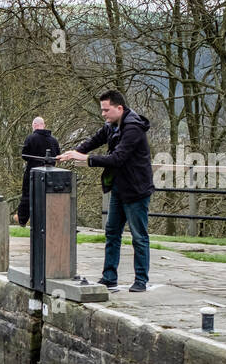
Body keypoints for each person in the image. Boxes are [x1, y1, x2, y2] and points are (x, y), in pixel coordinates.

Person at [57, 89, 154, 293]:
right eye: (102, 110)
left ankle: (141, 280)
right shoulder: (111, 125)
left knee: (139, 236)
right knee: (112, 232)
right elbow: (94, 141)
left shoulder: (133, 129)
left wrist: (88, 160)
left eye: (106, 110)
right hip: (119, 187)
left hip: (136, 190)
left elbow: (118, 158)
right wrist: (74, 153)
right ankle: (109, 277)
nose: (103, 114)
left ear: (119, 108)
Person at [18, 116, 61, 227]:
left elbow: (24, 155)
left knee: (27, 196)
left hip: (32, 172)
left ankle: (22, 220)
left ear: (34, 125)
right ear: (44, 125)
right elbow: (57, 156)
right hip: (51, 174)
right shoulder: (54, 141)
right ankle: (49, 220)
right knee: (49, 197)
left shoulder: (31, 138)